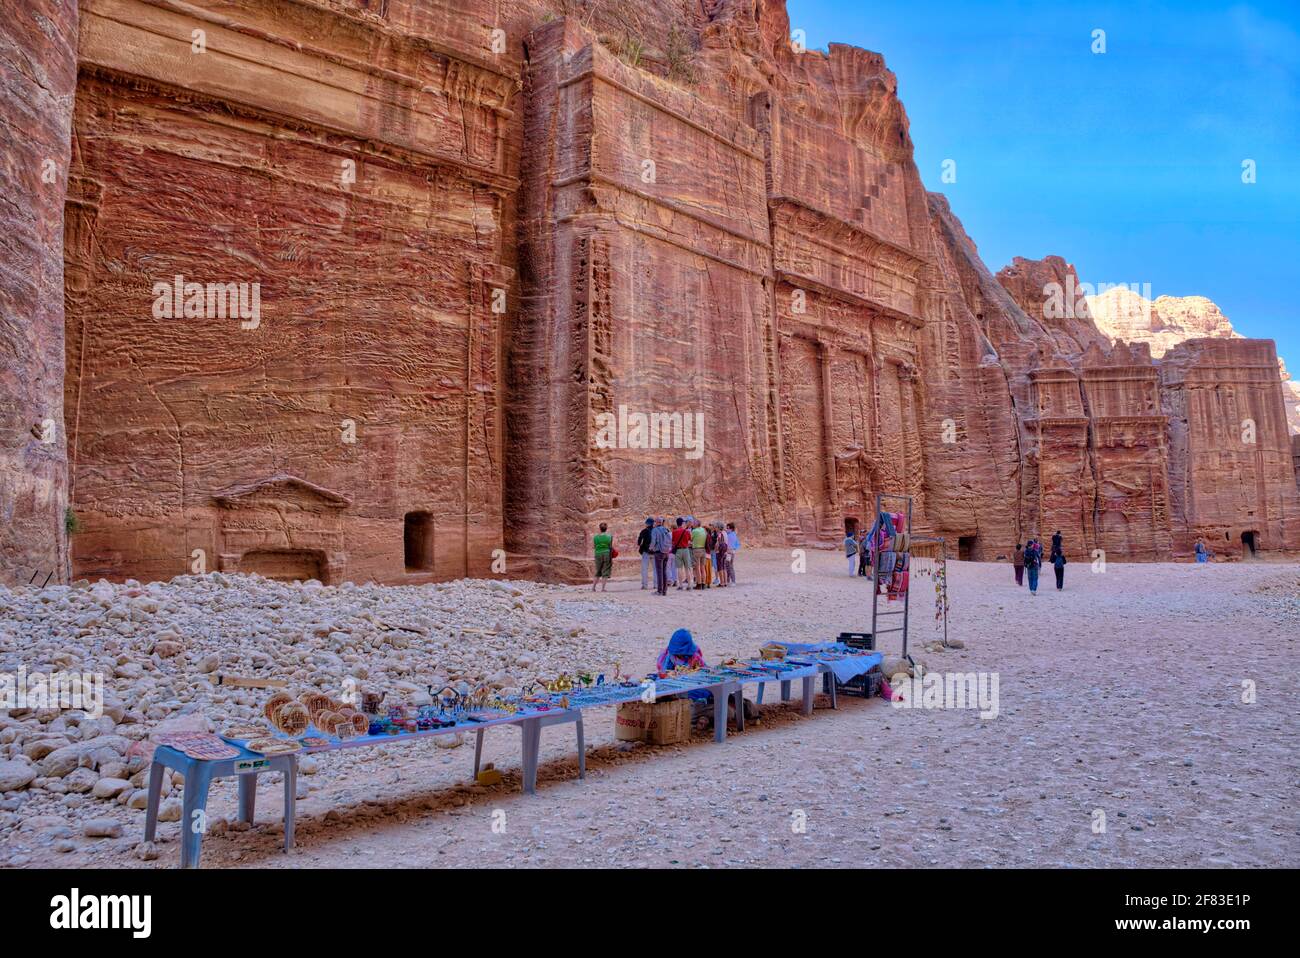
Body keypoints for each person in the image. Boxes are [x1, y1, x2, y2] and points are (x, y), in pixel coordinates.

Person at [651, 517, 672, 595]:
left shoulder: (655, 530)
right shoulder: (666, 529)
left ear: (657, 522)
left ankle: (659, 590)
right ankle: (664, 590)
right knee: (664, 571)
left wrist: (651, 548)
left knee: (659, 572)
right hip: (666, 552)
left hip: (659, 552)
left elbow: (653, 541)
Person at [672, 517, 693, 590]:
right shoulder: (687, 531)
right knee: (687, 568)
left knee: (679, 568)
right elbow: (690, 540)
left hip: (678, 551)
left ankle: (680, 585)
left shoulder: (674, 532)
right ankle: (689, 585)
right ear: (682, 523)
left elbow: (673, 542)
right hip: (686, 550)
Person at [591, 522, 613, 591]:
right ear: (606, 529)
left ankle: (593, 588)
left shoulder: (595, 537)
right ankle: (603, 588)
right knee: (605, 571)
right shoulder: (609, 537)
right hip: (606, 553)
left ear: (599, 528)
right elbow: (610, 547)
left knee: (598, 571)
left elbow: (594, 546)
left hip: (598, 554)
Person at [637, 518, 654, 590]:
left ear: (647, 524)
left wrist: (641, 545)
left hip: (646, 551)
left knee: (644, 569)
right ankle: (656, 584)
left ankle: (645, 585)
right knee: (655, 569)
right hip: (654, 552)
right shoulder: (655, 530)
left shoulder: (644, 531)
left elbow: (639, 542)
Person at [690, 519, 708, 589]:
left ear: (696, 524)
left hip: (696, 549)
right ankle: (704, 583)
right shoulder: (703, 530)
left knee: (697, 568)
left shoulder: (694, 531)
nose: (692, 524)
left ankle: (699, 584)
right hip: (703, 549)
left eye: (693, 523)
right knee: (703, 567)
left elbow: (690, 539)